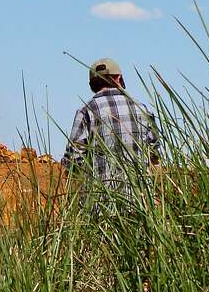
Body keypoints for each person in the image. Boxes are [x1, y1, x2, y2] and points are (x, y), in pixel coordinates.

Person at [61, 57, 160, 207]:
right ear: (118, 78)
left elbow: (74, 160)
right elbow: (155, 155)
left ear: (92, 85)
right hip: (141, 203)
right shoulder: (143, 110)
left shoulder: (86, 111)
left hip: (101, 205)